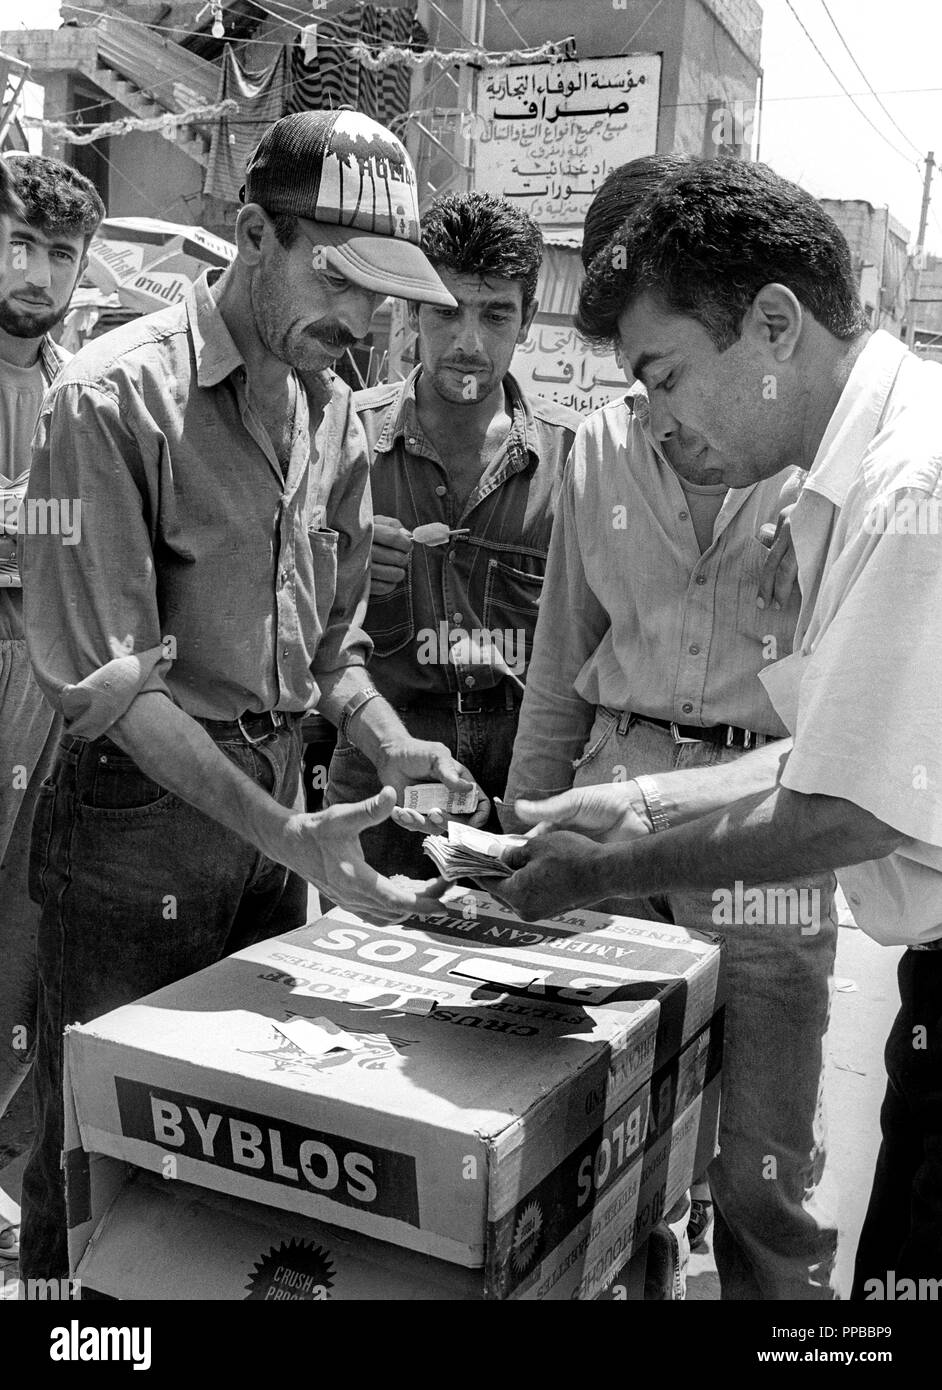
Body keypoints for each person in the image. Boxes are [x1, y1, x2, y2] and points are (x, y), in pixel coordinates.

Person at [18, 109, 468, 1283]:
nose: (368, 319)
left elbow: (331, 649)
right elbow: (109, 687)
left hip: (280, 814)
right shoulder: (112, 403)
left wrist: (385, 736)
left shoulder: (334, 412)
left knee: (233, 1141)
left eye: (388, 295)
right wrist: (286, 829)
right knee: (100, 1140)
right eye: (343, 279)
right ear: (253, 233)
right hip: (136, 823)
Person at [493, 156, 942, 1295]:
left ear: (776, 326)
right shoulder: (874, 465)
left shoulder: (902, 492)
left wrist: (609, 856)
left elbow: (835, 806)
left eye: (667, 372)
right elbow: (842, 747)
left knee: (776, 1195)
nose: (658, 411)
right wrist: (630, 796)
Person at [325, 191, 579, 875]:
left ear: (525, 322)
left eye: (495, 314)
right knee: (362, 964)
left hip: (524, 772)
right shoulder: (342, 436)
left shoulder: (577, 461)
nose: (468, 342)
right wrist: (338, 569)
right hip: (383, 759)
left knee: (515, 971)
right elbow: (285, 616)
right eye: (445, 310)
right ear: (411, 312)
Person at [0, 154, 104, 1265]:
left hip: (49, 697)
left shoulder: (83, 385)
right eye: (17, 243)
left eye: (58, 253)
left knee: (26, 947)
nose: (34, 272)